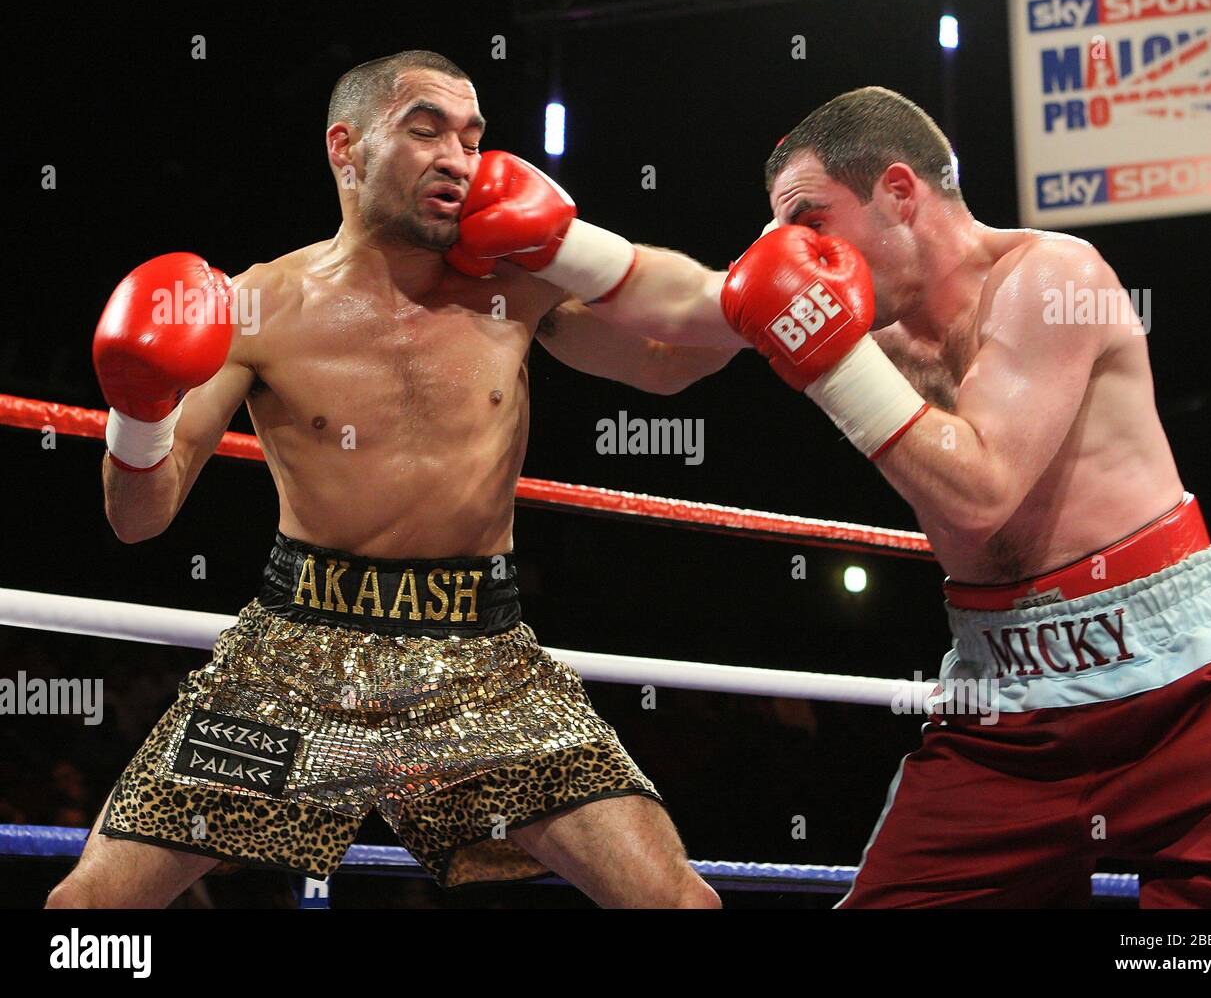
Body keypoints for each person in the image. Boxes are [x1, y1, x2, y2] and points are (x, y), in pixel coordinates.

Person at [487, 85, 1211, 908]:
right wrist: (534, 266)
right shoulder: (862, 317)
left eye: (808, 220)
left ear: (900, 193)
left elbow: (981, 491)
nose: (788, 248)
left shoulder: (1052, 276)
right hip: (1004, 702)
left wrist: (828, 361)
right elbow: (661, 349)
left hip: (1190, 689)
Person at [47, 50, 740, 909]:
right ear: (347, 150)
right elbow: (138, 519)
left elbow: (679, 361)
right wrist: (139, 411)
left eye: (473, 135)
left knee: (678, 902)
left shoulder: (517, 289)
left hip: (481, 656)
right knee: (87, 911)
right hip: (294, 657)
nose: (459, 156)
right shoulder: (253, 305)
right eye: (426, 130)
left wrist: (578, 246)